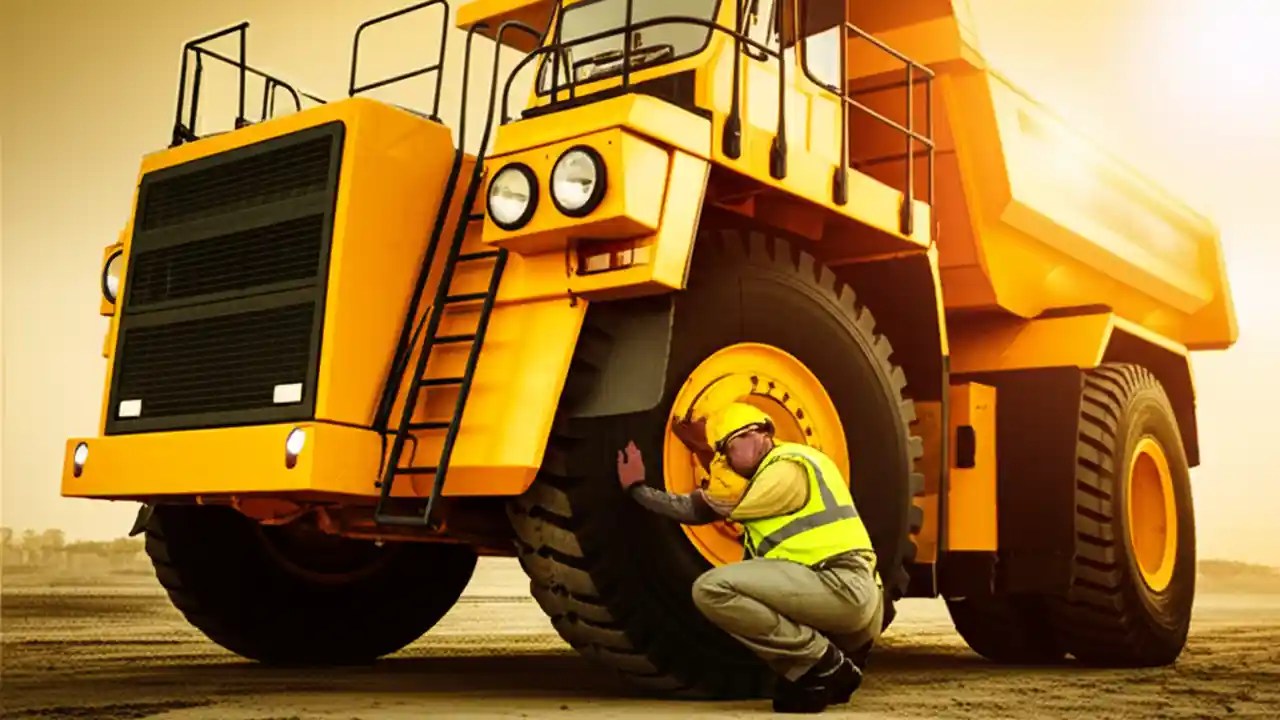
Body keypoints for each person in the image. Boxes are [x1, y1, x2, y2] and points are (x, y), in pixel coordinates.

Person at [616, 402, 884, 714]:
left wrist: (637, 489)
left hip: (840, 588)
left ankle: (824, 662)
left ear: (753, 434)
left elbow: (705, 507)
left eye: (726, 451)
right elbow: (735, 485)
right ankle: (826, 674)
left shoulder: (786, 468)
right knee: (791, 698)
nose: (724, 462)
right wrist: (705, 450)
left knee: (711, 590)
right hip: (850, 596)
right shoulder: (791, 461)